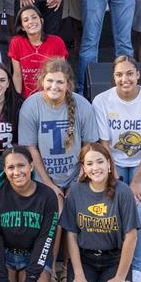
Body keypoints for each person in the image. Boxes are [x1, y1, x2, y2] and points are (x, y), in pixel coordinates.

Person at [92, 54, 141, 282]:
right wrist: (116, 178)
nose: (125, 79)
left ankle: (138, 269)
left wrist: (136, 182)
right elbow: (104, 143)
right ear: (113, 77)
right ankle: (114, 266)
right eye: (120, 74)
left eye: (130, 73)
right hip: (113, 162)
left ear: (137, 75)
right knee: (113, 213)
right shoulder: (102, 101)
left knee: (137, 213)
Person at [64, 142, 140, 282]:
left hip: (114, 261)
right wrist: (79, 276)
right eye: (89, 164)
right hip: (85, 260)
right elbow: (71, 236)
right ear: (83, 168)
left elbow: (131, 236)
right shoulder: (75, 191)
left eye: (99, 162)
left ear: (109, 163)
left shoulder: (123, 192)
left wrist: (120, 277)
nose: (95, 168)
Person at [0, 146, 61, 282]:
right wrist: (1, 278)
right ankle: (11, 281)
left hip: (33, 256)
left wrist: (31, 278)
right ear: (4, 170)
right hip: (4, 256)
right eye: (10, 167)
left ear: (31, 166)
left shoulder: (47, 196)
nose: (16, 172)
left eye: (21, 165)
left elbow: (46, 240)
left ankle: (23, 281)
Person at [18, 57, 102, 194]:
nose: (54, 86)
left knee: (75, 213)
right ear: (42, 80)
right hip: (43, 177)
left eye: (60, 82)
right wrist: (49, 185)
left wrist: (79, 179)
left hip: (77, 176)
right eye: (50, 81)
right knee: (56, 213)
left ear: (68, 85)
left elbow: (89, 146)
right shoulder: (30, 106)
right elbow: (31, 148)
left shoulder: (82, 105)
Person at [6, 3, 67, 96]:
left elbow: (63, 74)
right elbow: (17, 75)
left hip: (51, 97)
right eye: (26, 20)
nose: (31, 22)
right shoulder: (16, 42)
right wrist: (17, 101)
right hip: (26, 100)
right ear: (22, 27)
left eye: (34, 17)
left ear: (41, 21)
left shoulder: (57, 42)